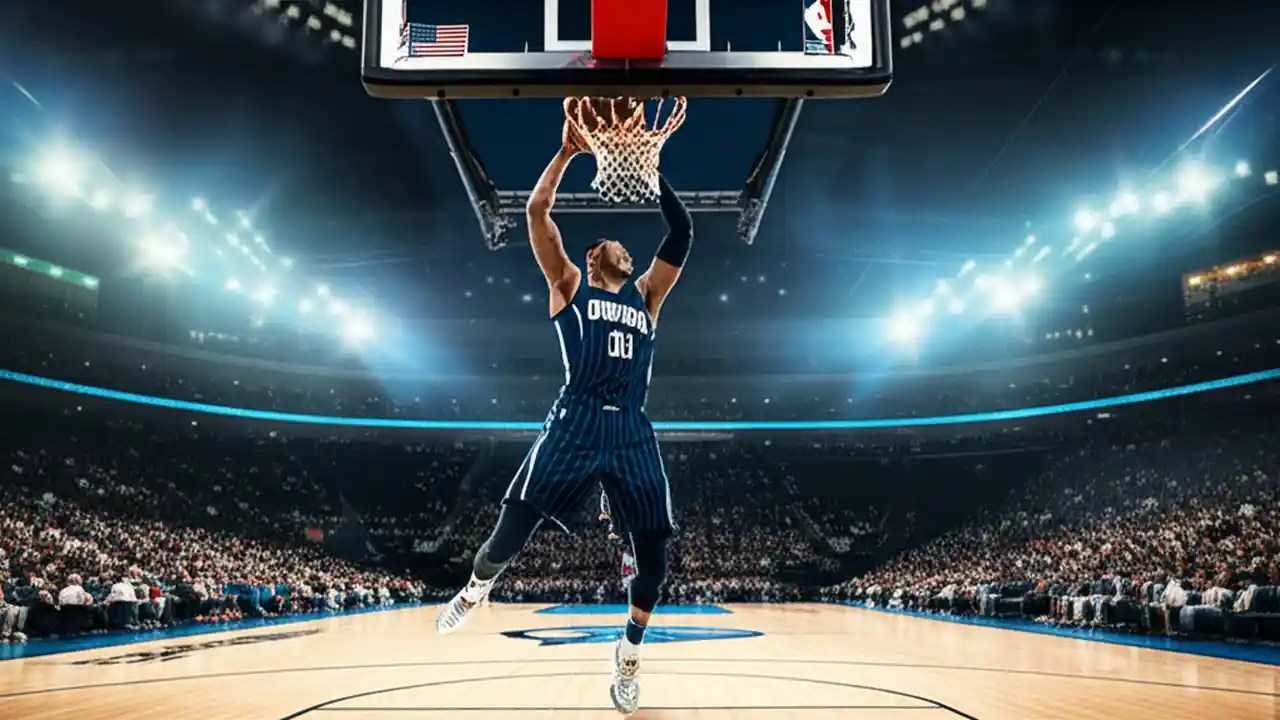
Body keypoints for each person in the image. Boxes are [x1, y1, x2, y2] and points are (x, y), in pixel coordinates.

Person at [435, 108, 694, 716]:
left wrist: (651, 169)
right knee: (508, 536)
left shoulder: (648, 297)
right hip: (575, 418)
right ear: (593, 253)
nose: (627, 250)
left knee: (654, 564)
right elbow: (535, 214)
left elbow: (681, 235)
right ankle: (477, 589)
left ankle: (628, 652)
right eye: (616, 245)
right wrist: (567, 153)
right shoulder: (570, 285)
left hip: (631, 424)